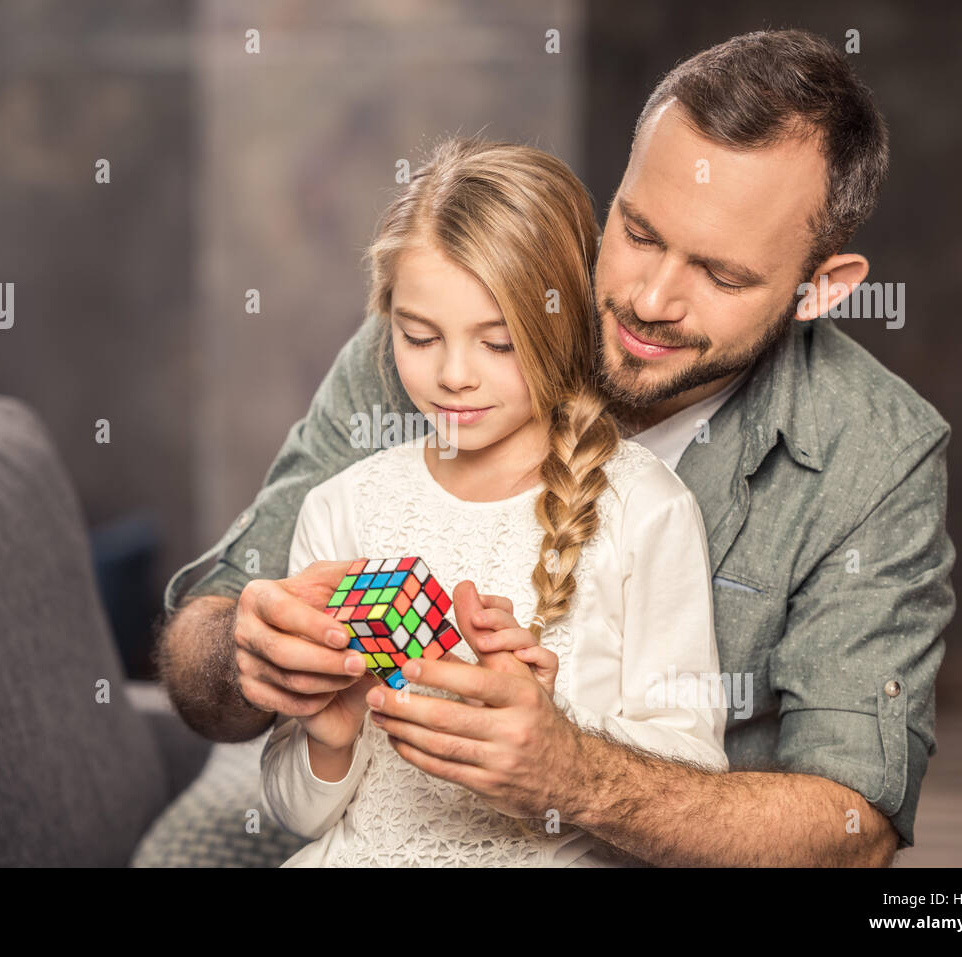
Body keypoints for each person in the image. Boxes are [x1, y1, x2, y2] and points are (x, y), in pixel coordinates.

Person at [155, 29, 956, 866]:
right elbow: (207, 649)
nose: (650, 299)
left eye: (721, 276)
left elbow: (852, 829)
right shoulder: (450, 326)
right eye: (640, 232)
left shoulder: (875, 453)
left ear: (819, 288)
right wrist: (251, 656)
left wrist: (570, 772)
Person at [259, 137, 729, 866]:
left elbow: (696, 779)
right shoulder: (341, 507)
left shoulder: (646, 509)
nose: (453, 375)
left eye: (498, 344)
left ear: (561, 323)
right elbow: (298, 813)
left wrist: (559, 736)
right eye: (419, 336)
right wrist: (328, 732)